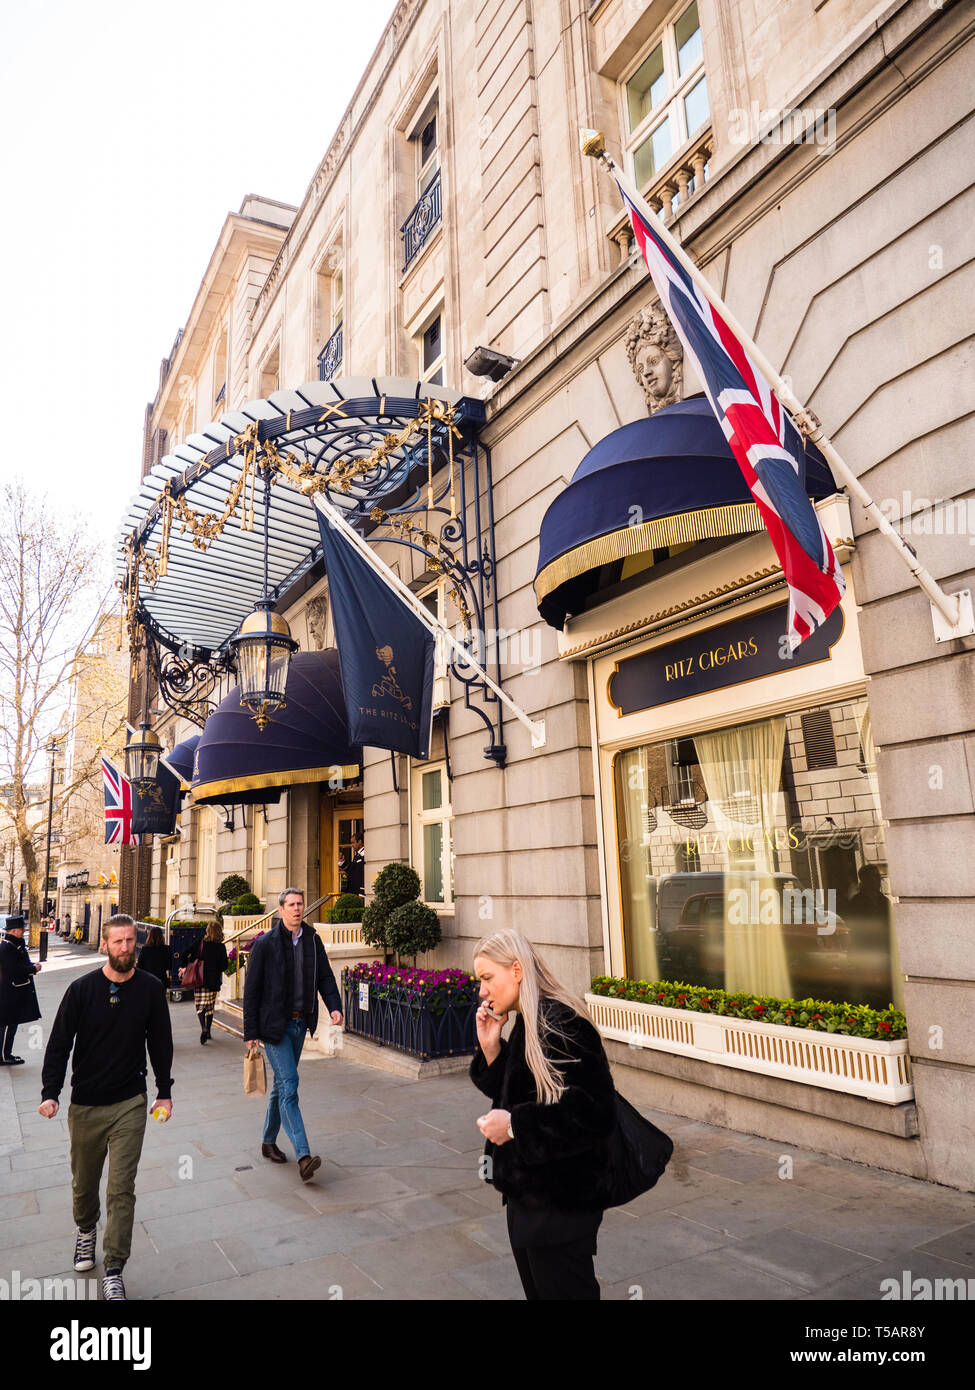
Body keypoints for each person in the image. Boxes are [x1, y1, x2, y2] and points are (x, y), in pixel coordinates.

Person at [470, 929, 616, 1301]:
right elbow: (521, 1092)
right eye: (479, 981)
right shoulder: (528, 1019)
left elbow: (596, 1112)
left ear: (517, 970)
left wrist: (516, 1126)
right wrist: (491, 1051)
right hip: (530, 1199)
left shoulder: (560, 1023)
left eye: (487, 978)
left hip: (560, 1204)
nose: (482, 991)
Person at [38, 913, 174, 1302]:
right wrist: (50, 1092)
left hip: (130, 1102)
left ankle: (114, 1267)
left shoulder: (150, 989)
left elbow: (161, 1043)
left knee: (120, 1189)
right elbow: (59, 1044)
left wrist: (164, 1090)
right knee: (84, 1185)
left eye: (131, 941)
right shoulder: (81, 990)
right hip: (85, 1105)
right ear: (105, 944)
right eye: (118, 942)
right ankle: (85, 1231)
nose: (125, 948)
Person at [243, 887, 342, 1182]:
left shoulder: (312, 940)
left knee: (281, 1087)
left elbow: (324, 976)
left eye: (300, 904)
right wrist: (251, 1032)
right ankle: (303, 1155)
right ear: (281, 910)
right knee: (290, 1084)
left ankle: (267, 1141)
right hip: (274, 1027)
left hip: (301, 1024)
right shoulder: (266, 944)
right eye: (291, 904)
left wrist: (334, 1007)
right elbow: (252, 991)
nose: (297, 909)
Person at [0, 914, 41, 1064]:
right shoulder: (7, 947)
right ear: (14, 931)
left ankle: (6, 1054)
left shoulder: (13, 945)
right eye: (22, 930)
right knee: (7, 1024)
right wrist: (33, 969)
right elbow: (13, 970)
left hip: (13, 991)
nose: (23, 933)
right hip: (9, 992)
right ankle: (4, 1056)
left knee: (11, 1024)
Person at [192, 921, 228, 1044]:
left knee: (200, 1006)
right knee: (210, 1007)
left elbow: (186, 953)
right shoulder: (221, 947)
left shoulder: (201, 944)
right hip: (214, 981)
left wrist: (187, 965)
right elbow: (224, 966)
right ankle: (209, 1030)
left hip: (200, 980)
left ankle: (203, 1028)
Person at [136, 926, 171, 994]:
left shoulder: (145, 949)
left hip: (147, 980)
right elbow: (169, 966)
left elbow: (139, 966)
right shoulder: (166, 949)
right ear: (161, 936)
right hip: (162, 980)